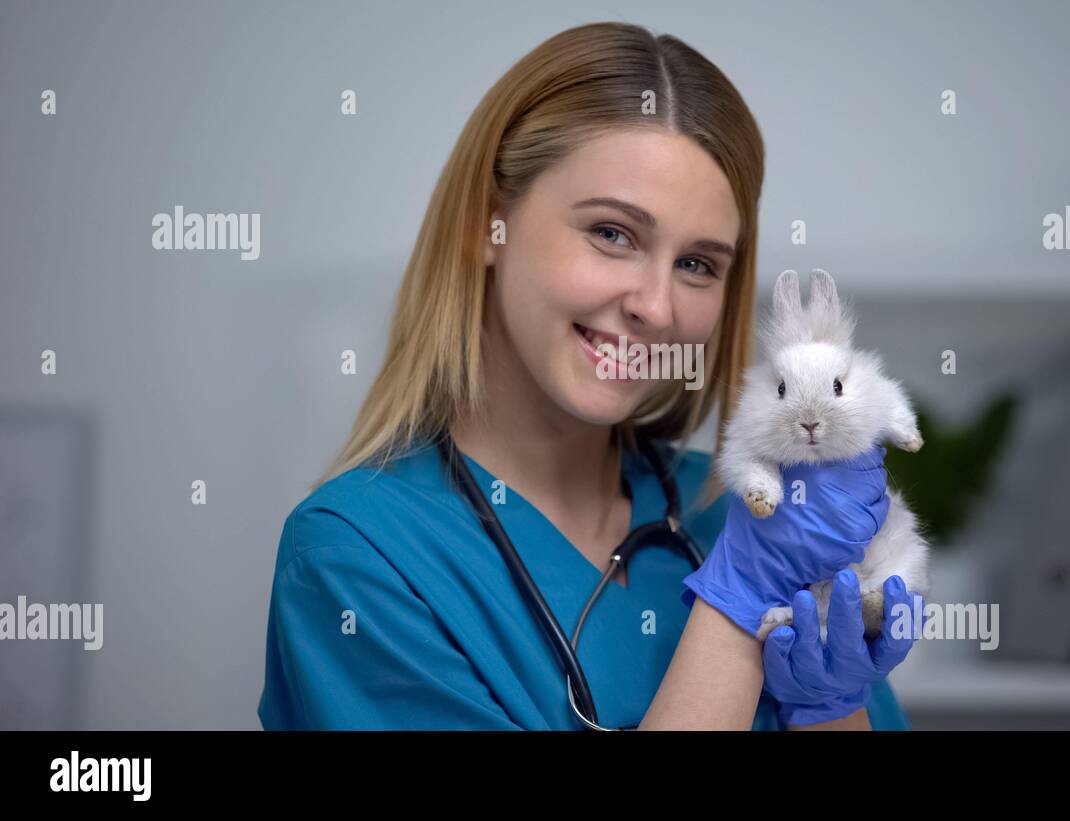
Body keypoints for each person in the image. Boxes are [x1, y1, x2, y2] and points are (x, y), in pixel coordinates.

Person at [257, 21, 920, 731]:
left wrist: (827, 702)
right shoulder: (357, 556)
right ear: (488, 224)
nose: (655, 306)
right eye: (613, 233)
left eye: (697, 264)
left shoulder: (744, 514)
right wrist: (740, 601)